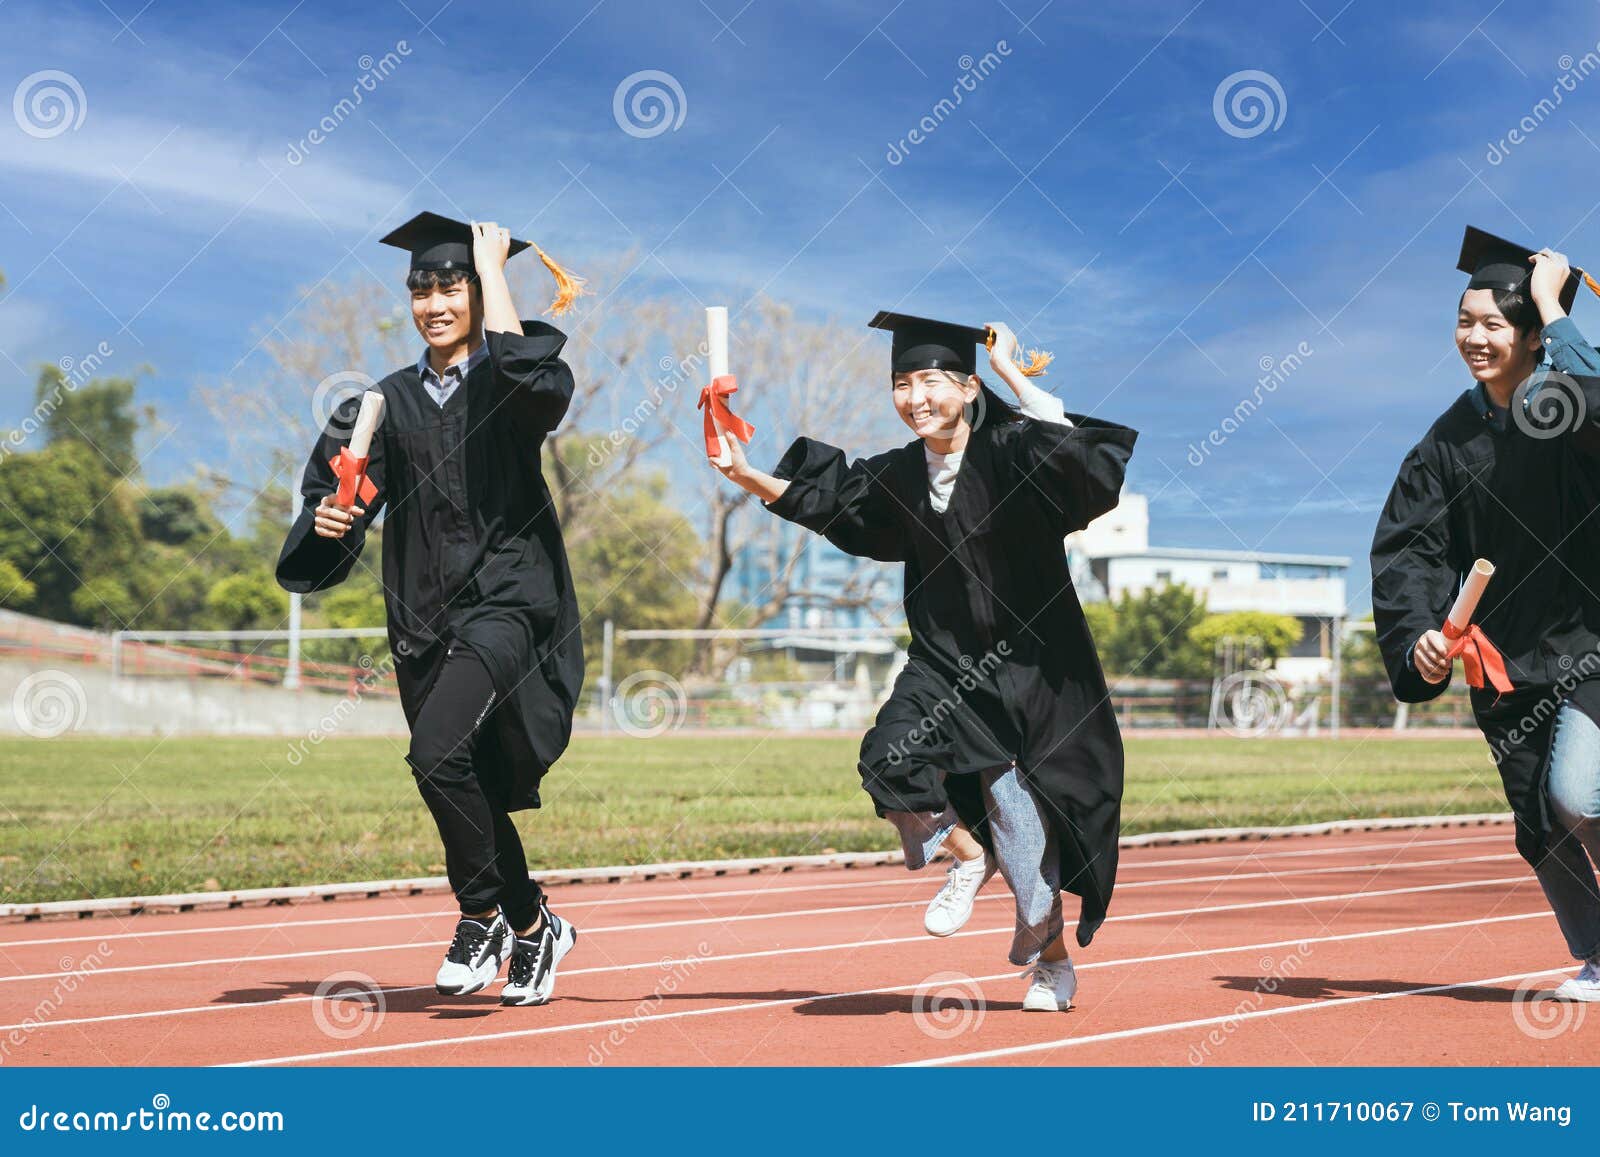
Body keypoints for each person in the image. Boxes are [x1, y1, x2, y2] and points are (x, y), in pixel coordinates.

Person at [712, 311, 1137, 1011]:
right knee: (887, 757)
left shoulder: (1014, 451)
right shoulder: (901, 474)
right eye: (902, 383)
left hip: (1034, 674)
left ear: (968, 386)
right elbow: (835, 505)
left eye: (932, 380)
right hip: (944, 666)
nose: (915, 397)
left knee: (1030, 861)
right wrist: (747, 472)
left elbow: (1085, 466)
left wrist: (1015, 379)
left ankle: (1052, 965)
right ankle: (968, 858)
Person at [275, 212, 586, 1006]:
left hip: (509, 600)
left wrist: (499, 270)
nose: (435, 301)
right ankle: (533, 922)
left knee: (434, 753)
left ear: (482, 295)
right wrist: (328, 519)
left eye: (454, 285)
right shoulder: (385, 403)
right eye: (422, 288)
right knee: (463, 773)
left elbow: (537, 394)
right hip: (424, 617)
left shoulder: (512, 375)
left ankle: (480, 914)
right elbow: (342, 490)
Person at [1371, 225, 1600, 1002]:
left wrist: (1556, 308)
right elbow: (1409, 555)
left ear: (1534, 335)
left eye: (1494, 322)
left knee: (1577, 791)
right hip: (1507, 658)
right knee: (1540, 820)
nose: (1473, 336)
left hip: (1592, 640)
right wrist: (1420, 643)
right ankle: (1598, 955)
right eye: (1465, 320)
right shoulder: (1447, 441)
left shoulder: (1564, 407)